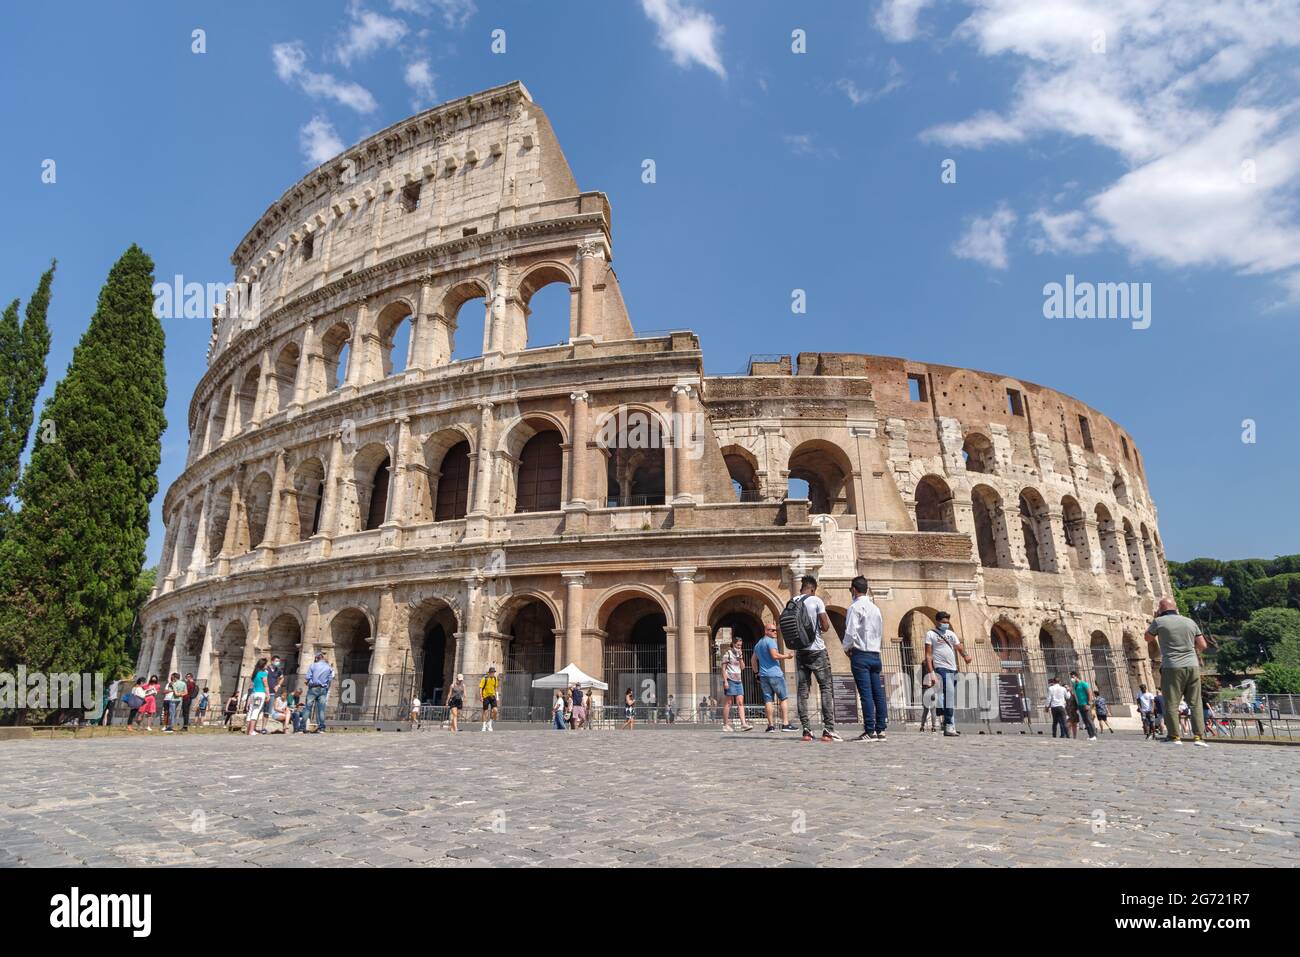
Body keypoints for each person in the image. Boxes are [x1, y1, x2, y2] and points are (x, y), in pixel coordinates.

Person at [1147, 597, 1209, 747]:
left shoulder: (1159, 622)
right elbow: (1203, 645)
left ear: (1161, 610)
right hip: (1192, 666)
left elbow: (1147, 638)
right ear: (1176, 609)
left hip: (1171, 666)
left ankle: (1174, 736)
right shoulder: (1190, 622)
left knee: (1172, 703)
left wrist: (1155, 619)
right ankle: (1199, 737)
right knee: (1195, 702)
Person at [788, 575, 841, 742]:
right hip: (817, 650)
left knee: (803, 691)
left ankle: (806, 730)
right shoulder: (816, 601)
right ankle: (828, 730)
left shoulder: (792, 601)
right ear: (813, 588)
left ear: (801, 587)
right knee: (826, 687)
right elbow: (825, 626)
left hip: (800, 651)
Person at [843, 575, 887, 742]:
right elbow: (879, 631)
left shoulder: (855, 607)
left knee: (866, 694)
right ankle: (881, 729)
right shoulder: (875, 608)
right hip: (875, 654)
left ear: (854, 590)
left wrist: (846, 648)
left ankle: (870, 730)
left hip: (860, 654)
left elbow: (850, 631)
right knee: (878, 694)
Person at [924, 611, 972, 737]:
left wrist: (966, 656)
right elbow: (928, 655)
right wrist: (931, 673)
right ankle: (949, 725)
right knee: (949, 695)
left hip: (953, 669)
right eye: (943, 622)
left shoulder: (951, 634)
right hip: (941, 668)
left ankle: (946, 720)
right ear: (938, 622)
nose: (946, 624)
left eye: (947, 622)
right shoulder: (931, 634)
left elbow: (959, 647)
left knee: (949, 696)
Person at [751, 622, 796, 733]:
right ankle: (785, 724)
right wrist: (788, 656)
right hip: (775, 675)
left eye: (775, 630)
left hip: (763, 676)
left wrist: (756, 673)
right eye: (772, 630)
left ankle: (771, 726)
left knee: (768, 700)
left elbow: (753, 660)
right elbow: (774, 655)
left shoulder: (758, 644)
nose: (775, 632)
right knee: (783, 698)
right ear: (766, 631)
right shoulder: (770, 641)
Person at [720, 636, 754, 732]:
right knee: (729, 702)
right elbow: (723, 669)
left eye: (740, 645)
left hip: (739, 681)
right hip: (730, 680)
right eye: (738, 645)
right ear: (733, 644)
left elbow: (743, 667)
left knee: (740, 702)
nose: (739, 647)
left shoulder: (740, 654)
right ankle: (725, 724)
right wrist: (725, 681)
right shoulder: (727, 654)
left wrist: (740, 659)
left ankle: (743, 724)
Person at [304, 651, 334, 733]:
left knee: (307, 708)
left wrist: (310, 682)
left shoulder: (313, 665)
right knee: (321, 709)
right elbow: (330, 679)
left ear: (316, 658)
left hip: (313, 688)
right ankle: (322, 727)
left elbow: (307, 677)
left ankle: (302, 728)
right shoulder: (328, 667)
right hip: (323, 689)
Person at [258, 655, 285, 734]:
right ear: (272, 661)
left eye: (278, 661)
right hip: (262, 692)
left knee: (267, 711)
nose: (278, 662)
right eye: (276, 661)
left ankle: (263, 728)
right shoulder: (266, 669)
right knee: (259, 710)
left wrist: (278, 685)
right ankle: (254, 727)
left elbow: (282, 678)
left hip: (272, 693)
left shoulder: (278, 670)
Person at [1069, 671, 1098, 741]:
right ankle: (1090, 735)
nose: (1072, 678)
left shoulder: (1083, 683)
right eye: (1071, 677)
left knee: (1089, 720)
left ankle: (1094, 735)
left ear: (1076, 676)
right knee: (1085, 721)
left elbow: (1089, 693)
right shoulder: (1075, 685)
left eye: (1073, 677)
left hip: (1085, 704)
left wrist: (1089, 703)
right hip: (1080, 705)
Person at [245, 657, 269, 737]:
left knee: (250, 712)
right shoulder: (263, 673)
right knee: (255, 712)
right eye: (266, 664)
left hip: (253, 694)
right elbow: (265, 685)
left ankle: (247, 731)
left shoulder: (254, 673)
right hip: (260, 694)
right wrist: (268, 694)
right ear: (263, 665)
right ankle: (251, 731)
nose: (267, 666)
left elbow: (251, 685)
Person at [479, 665, 500, 732]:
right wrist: (481, 696)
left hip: (492, 696)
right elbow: (480, 688)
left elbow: (496, 687)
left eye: (493, 672)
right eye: (492, 672)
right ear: (489, 672)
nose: (493, 673)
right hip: (485, 696)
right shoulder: (484, 679)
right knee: (485, 711)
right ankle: (484, 725)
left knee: (495, 710)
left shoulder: (495, 678)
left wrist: (497, 696)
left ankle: (490, 722)